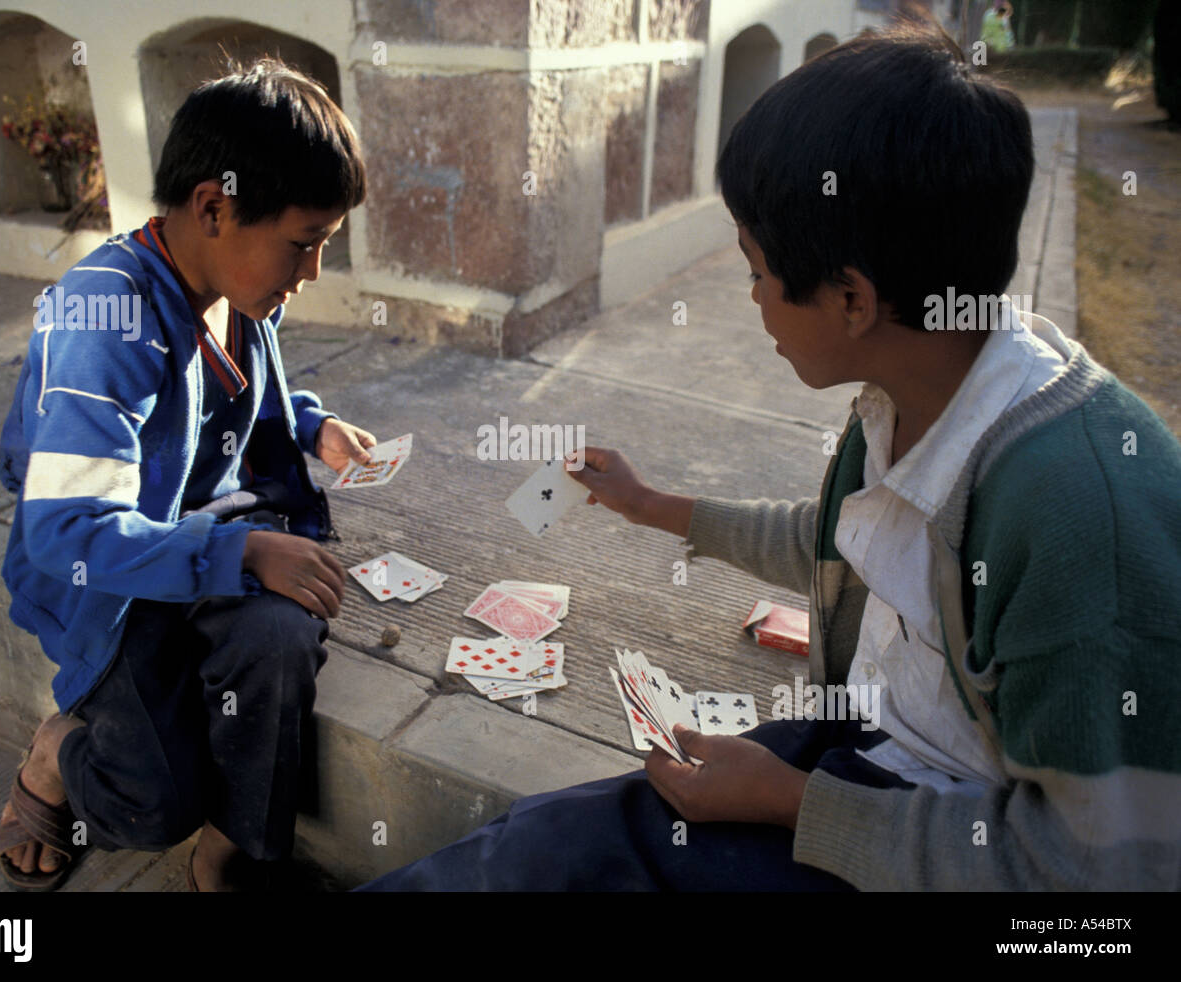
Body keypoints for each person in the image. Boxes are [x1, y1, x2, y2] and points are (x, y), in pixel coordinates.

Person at [357, 24, 1181, 891]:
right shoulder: (921, 382)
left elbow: (1092, 889)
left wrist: (794, 803)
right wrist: (651, 505)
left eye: (755, 270)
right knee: (542, 842)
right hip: (870, 743)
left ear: (852, 297)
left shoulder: (1081, 523)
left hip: (932, 832)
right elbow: (844, 547)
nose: (750, 298)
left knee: (538, 871)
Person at [0, 58, 374, 891]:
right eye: (303, 245)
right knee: (150, 804)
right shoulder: (104, 317)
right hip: (116, 580)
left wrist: (313, 425)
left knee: (281, 639)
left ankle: (227, 854)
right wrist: (240, 556)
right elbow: (67, 529)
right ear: (215, 205)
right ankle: (60, 752)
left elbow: (232, 403)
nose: (310, 274)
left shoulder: (235, 288)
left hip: (202, 542)